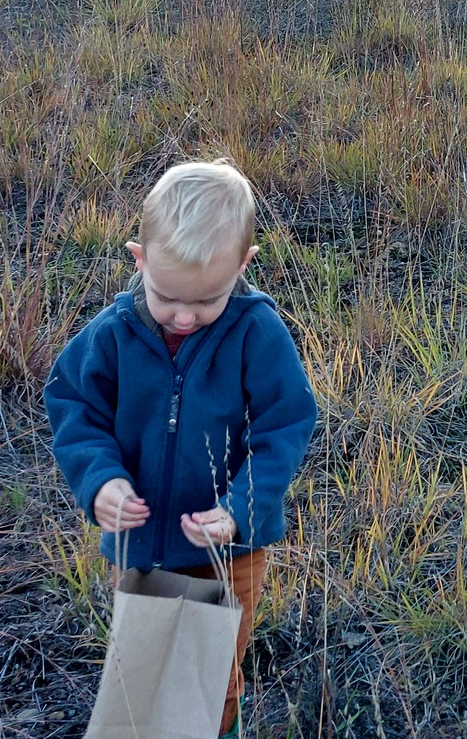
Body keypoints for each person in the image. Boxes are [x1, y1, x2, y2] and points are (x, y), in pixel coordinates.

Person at [45, 160, 318, 738]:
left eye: (208, 300)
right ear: (138, 259)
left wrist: (241, 509)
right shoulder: (115, 332)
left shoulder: (255, 331)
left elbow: (285, 425)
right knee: (140, 666)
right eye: (167, 297)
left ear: (244, 266)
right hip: (139, 546)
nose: (186, 317)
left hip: (230, 553)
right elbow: (73, 404)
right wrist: (100, 482)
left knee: (213, 673)